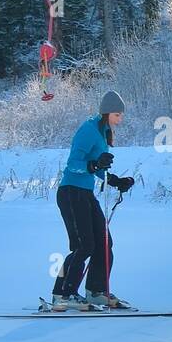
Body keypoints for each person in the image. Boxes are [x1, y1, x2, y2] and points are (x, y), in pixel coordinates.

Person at [51, 90, 135, 311]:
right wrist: (94, 165)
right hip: (71, 192)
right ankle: (62, 294)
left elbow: (96, 167)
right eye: (117, 114)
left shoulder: (103, 132)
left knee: (104, 243)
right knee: (83, 246)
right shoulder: (89, 130)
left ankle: (96, 291)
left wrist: (115, 180)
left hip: (85, 193)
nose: (120, 118)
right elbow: (73, 164)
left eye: (121, 114)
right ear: (107, 112)